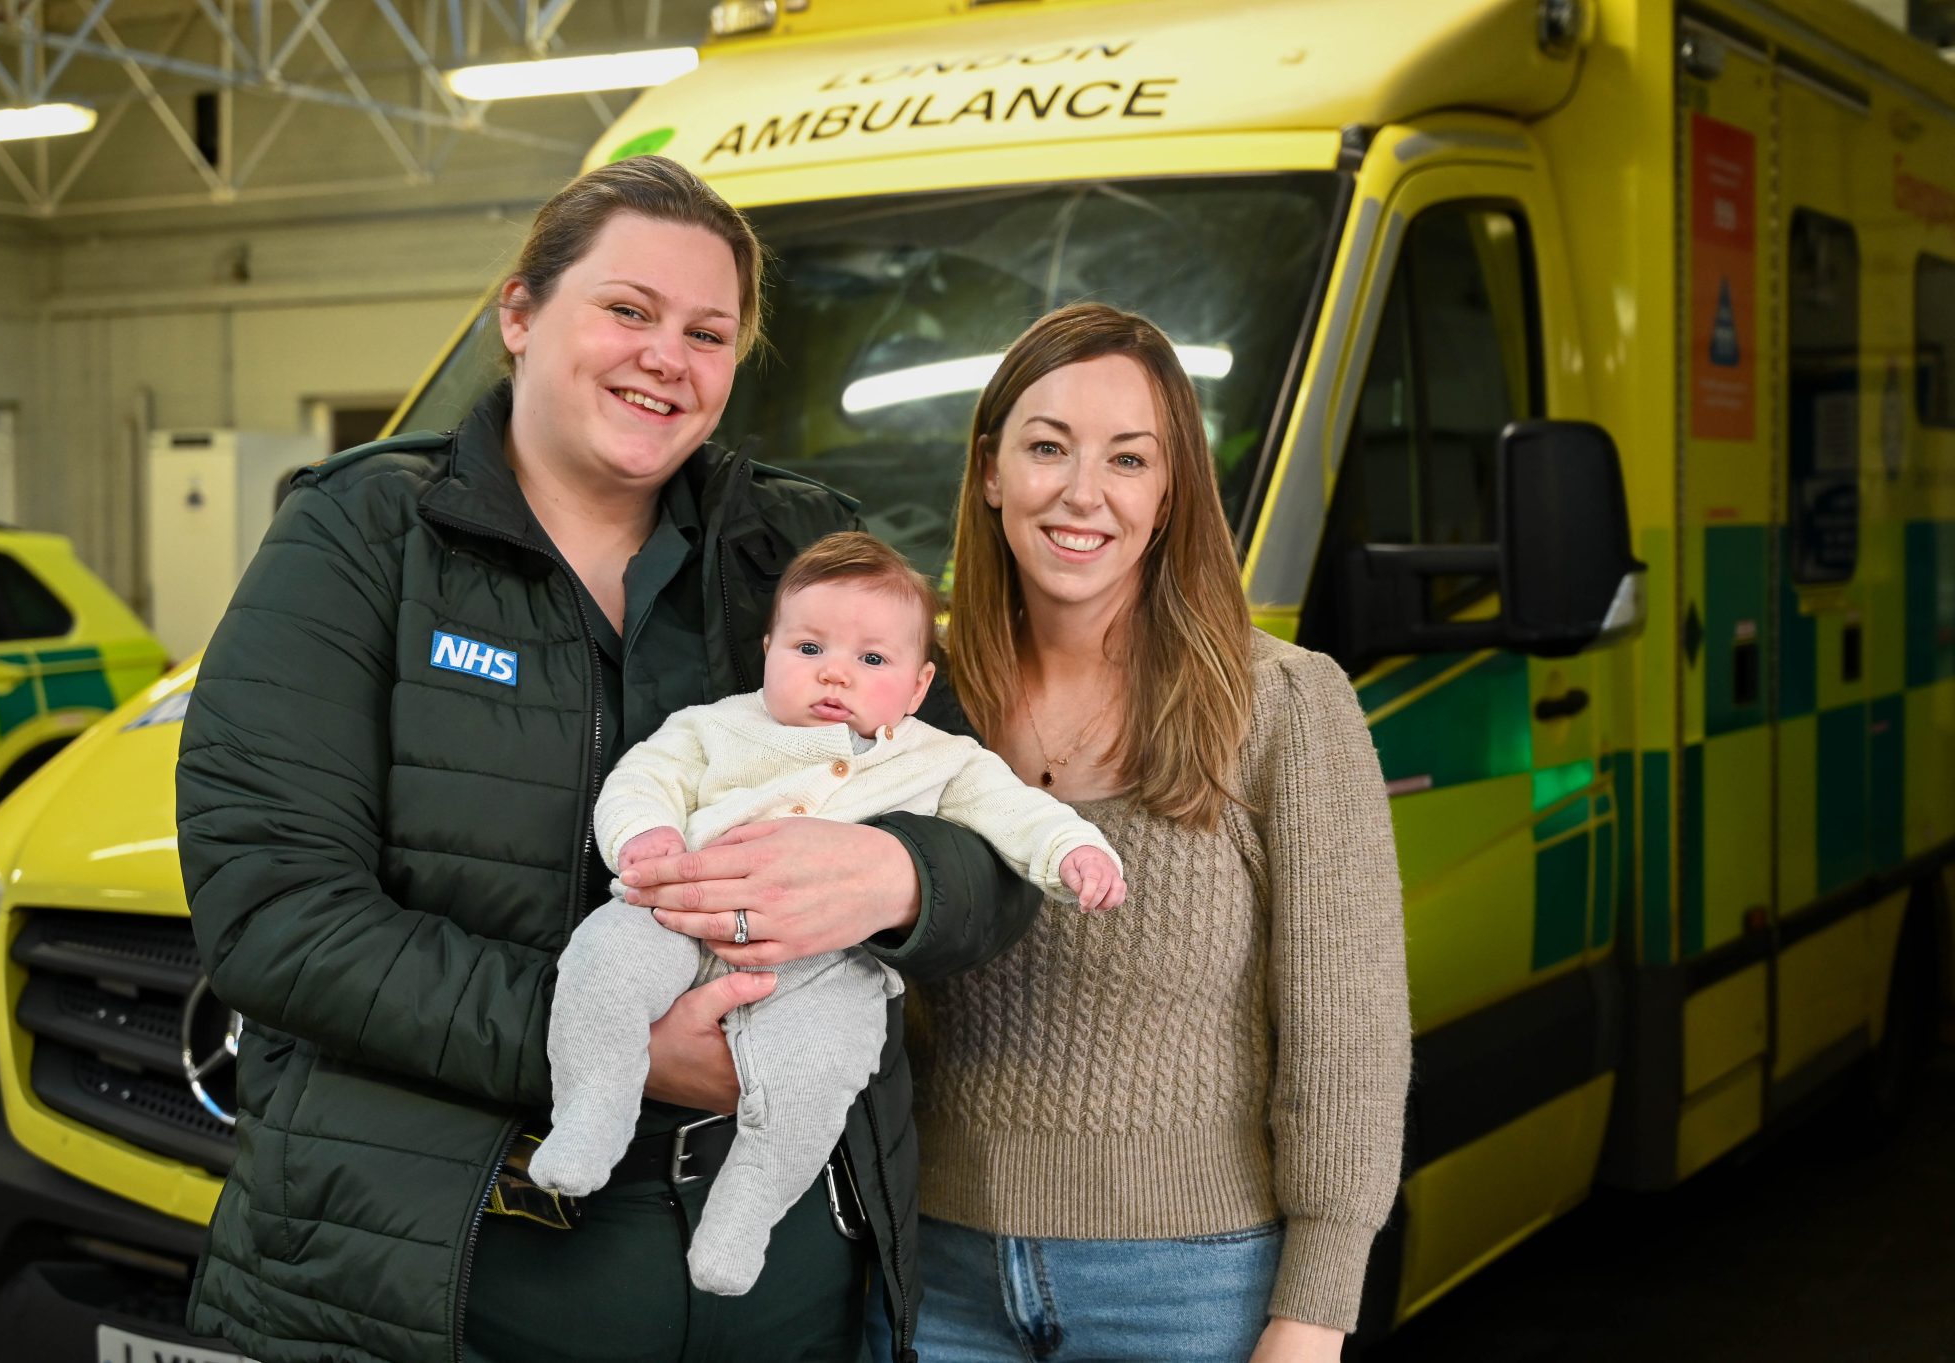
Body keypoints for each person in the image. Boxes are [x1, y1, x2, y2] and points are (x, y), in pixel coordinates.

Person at [175, 155, 1037, 1363]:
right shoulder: (362, 538)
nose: (664, 357)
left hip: (785, 1280)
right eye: (626, 309)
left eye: (707, 331)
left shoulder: (795, 549)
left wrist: (899, 884)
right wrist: (608, 1043)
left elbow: (986, 842)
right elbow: (273, 912)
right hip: (444, 1269)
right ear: (519, 316)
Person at [889, 302, 1412, 1363]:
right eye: (1046, 448)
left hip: (1192, 1289)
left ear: (1169, 492)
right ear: (990, 471)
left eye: (1127, 459)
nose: (1082, 492)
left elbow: (1347, 1046)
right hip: (937, 1275)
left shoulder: (1284, 706)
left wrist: (1311, 1316)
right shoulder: (917, 703)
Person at [529, 530, 1123, 1296]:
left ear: (916, 687)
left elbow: (1019, 812)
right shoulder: (715, 725)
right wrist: (645, 835)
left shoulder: (941, 758)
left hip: (831, 967)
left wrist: (1075, 852)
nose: (835, 671)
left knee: (823, 1070)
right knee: (601, 964)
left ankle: (748, 1207)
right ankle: (591, 1109)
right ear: (769, 647)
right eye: (809, 646)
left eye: (873, 660)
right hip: (680, 906)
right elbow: (644, 778)